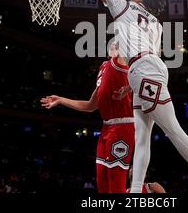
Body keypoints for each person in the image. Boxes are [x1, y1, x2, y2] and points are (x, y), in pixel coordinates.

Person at [67, 0, 188, 193]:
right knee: (142, 136)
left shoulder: (126, 8)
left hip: (144, 71)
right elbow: (127, 30)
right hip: (145, 71)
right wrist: (131, 86)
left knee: (173, 130)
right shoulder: (156, 24)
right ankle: (134, 192)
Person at [40, 42, 134, 193]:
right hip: (106, 128)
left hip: (123, 126)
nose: (115, 43)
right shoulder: (104, 68)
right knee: (102, 182)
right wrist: (60, 100)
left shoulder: (120, 62)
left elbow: (125, 35)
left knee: (116, 183)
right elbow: (90, 106)